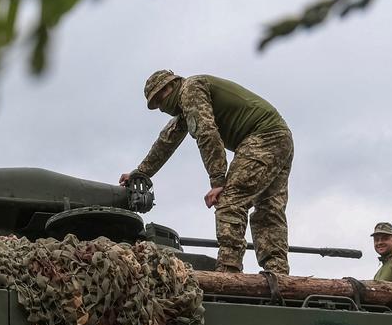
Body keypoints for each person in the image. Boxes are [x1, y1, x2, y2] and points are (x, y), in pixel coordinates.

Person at [120, 70, 293, 274]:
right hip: (281, 138)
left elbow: (207, 133)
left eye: (160, 98)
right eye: (156, 104)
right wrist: (140, 173)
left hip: (263, 136)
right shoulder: (186, 104)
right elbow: (166, 142)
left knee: (230, 199)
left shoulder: (190, 89)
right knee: (269, 208)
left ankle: (228, 270)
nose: (161, 107)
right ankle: (278, 273)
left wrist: (218, 181)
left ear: (171, 86)